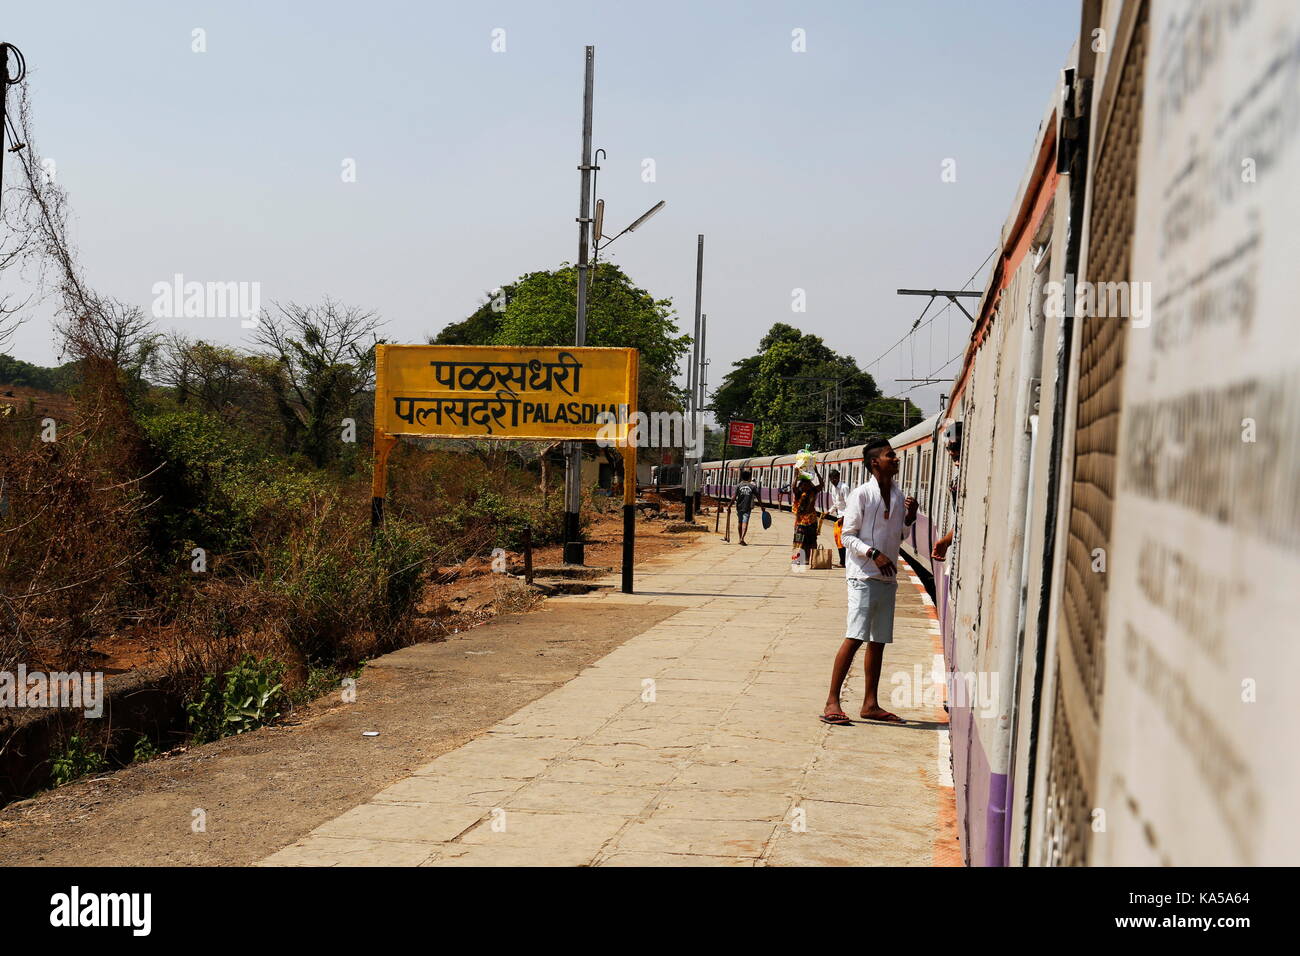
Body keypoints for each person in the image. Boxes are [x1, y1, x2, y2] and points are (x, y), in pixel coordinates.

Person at [821, 438, 917, 725]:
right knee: (855, 637)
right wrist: (873, 553)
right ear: (875, 462)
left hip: (887, 578)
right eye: (891, 456)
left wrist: (910, 519)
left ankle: (870, 704)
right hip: (862, 575)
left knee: (878, 641)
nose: (896, 459)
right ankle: (832, 701)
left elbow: (899, 537)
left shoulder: (899, 496)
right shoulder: (861, 494)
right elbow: (847, 534)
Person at [931, 421, 961, 562]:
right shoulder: (957, 480)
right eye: (948, 448)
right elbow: (960, 521)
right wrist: (947, 541)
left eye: (955, 446)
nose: (951, 452)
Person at [791, 473, 821, 565]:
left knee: (811, 539)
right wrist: (796, 477)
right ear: (800, 485)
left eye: (807, 485)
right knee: (799, 540)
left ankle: (811, 558)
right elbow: (793, 487)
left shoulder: (813, 492)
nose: (805, 486)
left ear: (810, 485)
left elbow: (822, 484)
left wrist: (817, 472)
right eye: (803, 485)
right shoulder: (798, 493)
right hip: (800, 521)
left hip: (811, 520)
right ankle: (798, 558)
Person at [733, 469, 765, 545]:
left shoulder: (738, 486)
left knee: (740, 522)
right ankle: (742, 538)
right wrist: (762, 506)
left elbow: (734, 497)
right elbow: (758, 496)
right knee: (745, 522)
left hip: (739, 507)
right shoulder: (752, 486)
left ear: (741, 477)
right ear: (749, 478)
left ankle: (740, 538)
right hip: (747, 507)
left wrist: (730, 506)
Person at [826, 468, 849, 568]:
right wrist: (829, 511)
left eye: (835, 478)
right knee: (837, 539)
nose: (833, 480)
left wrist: (844, 518)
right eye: (831, 479)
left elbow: (849, 504)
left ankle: (843, 562)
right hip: (838, 517)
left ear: (839, 477)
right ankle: (842, 561)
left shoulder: (844, 487)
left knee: (843, 540)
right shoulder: (833, 488)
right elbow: (836, 504)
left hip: (845, 518)